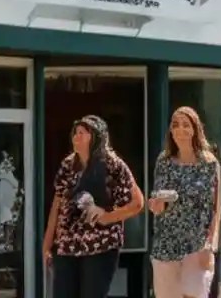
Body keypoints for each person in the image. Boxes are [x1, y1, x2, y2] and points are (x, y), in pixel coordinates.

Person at [42, 115, 144, 298]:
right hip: (67, 246)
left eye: (82, 133)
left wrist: (106, 216)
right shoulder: (67, 165)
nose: (76, 137)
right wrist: (47, 245)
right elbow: (57, 206)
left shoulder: (113, 165)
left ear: (96, 136)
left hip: (100, 246)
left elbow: (137, 203)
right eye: (75, 133)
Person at [149, 107, 221, 298]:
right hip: (166, 245)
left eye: (185, 125)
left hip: (197, 246)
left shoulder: (209, 164)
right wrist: (156, 205)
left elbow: (216, 209)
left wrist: (210, 245)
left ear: (195, 129)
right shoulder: (163, 161)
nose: (180, 130)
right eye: (175, 125)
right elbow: (158, 199)